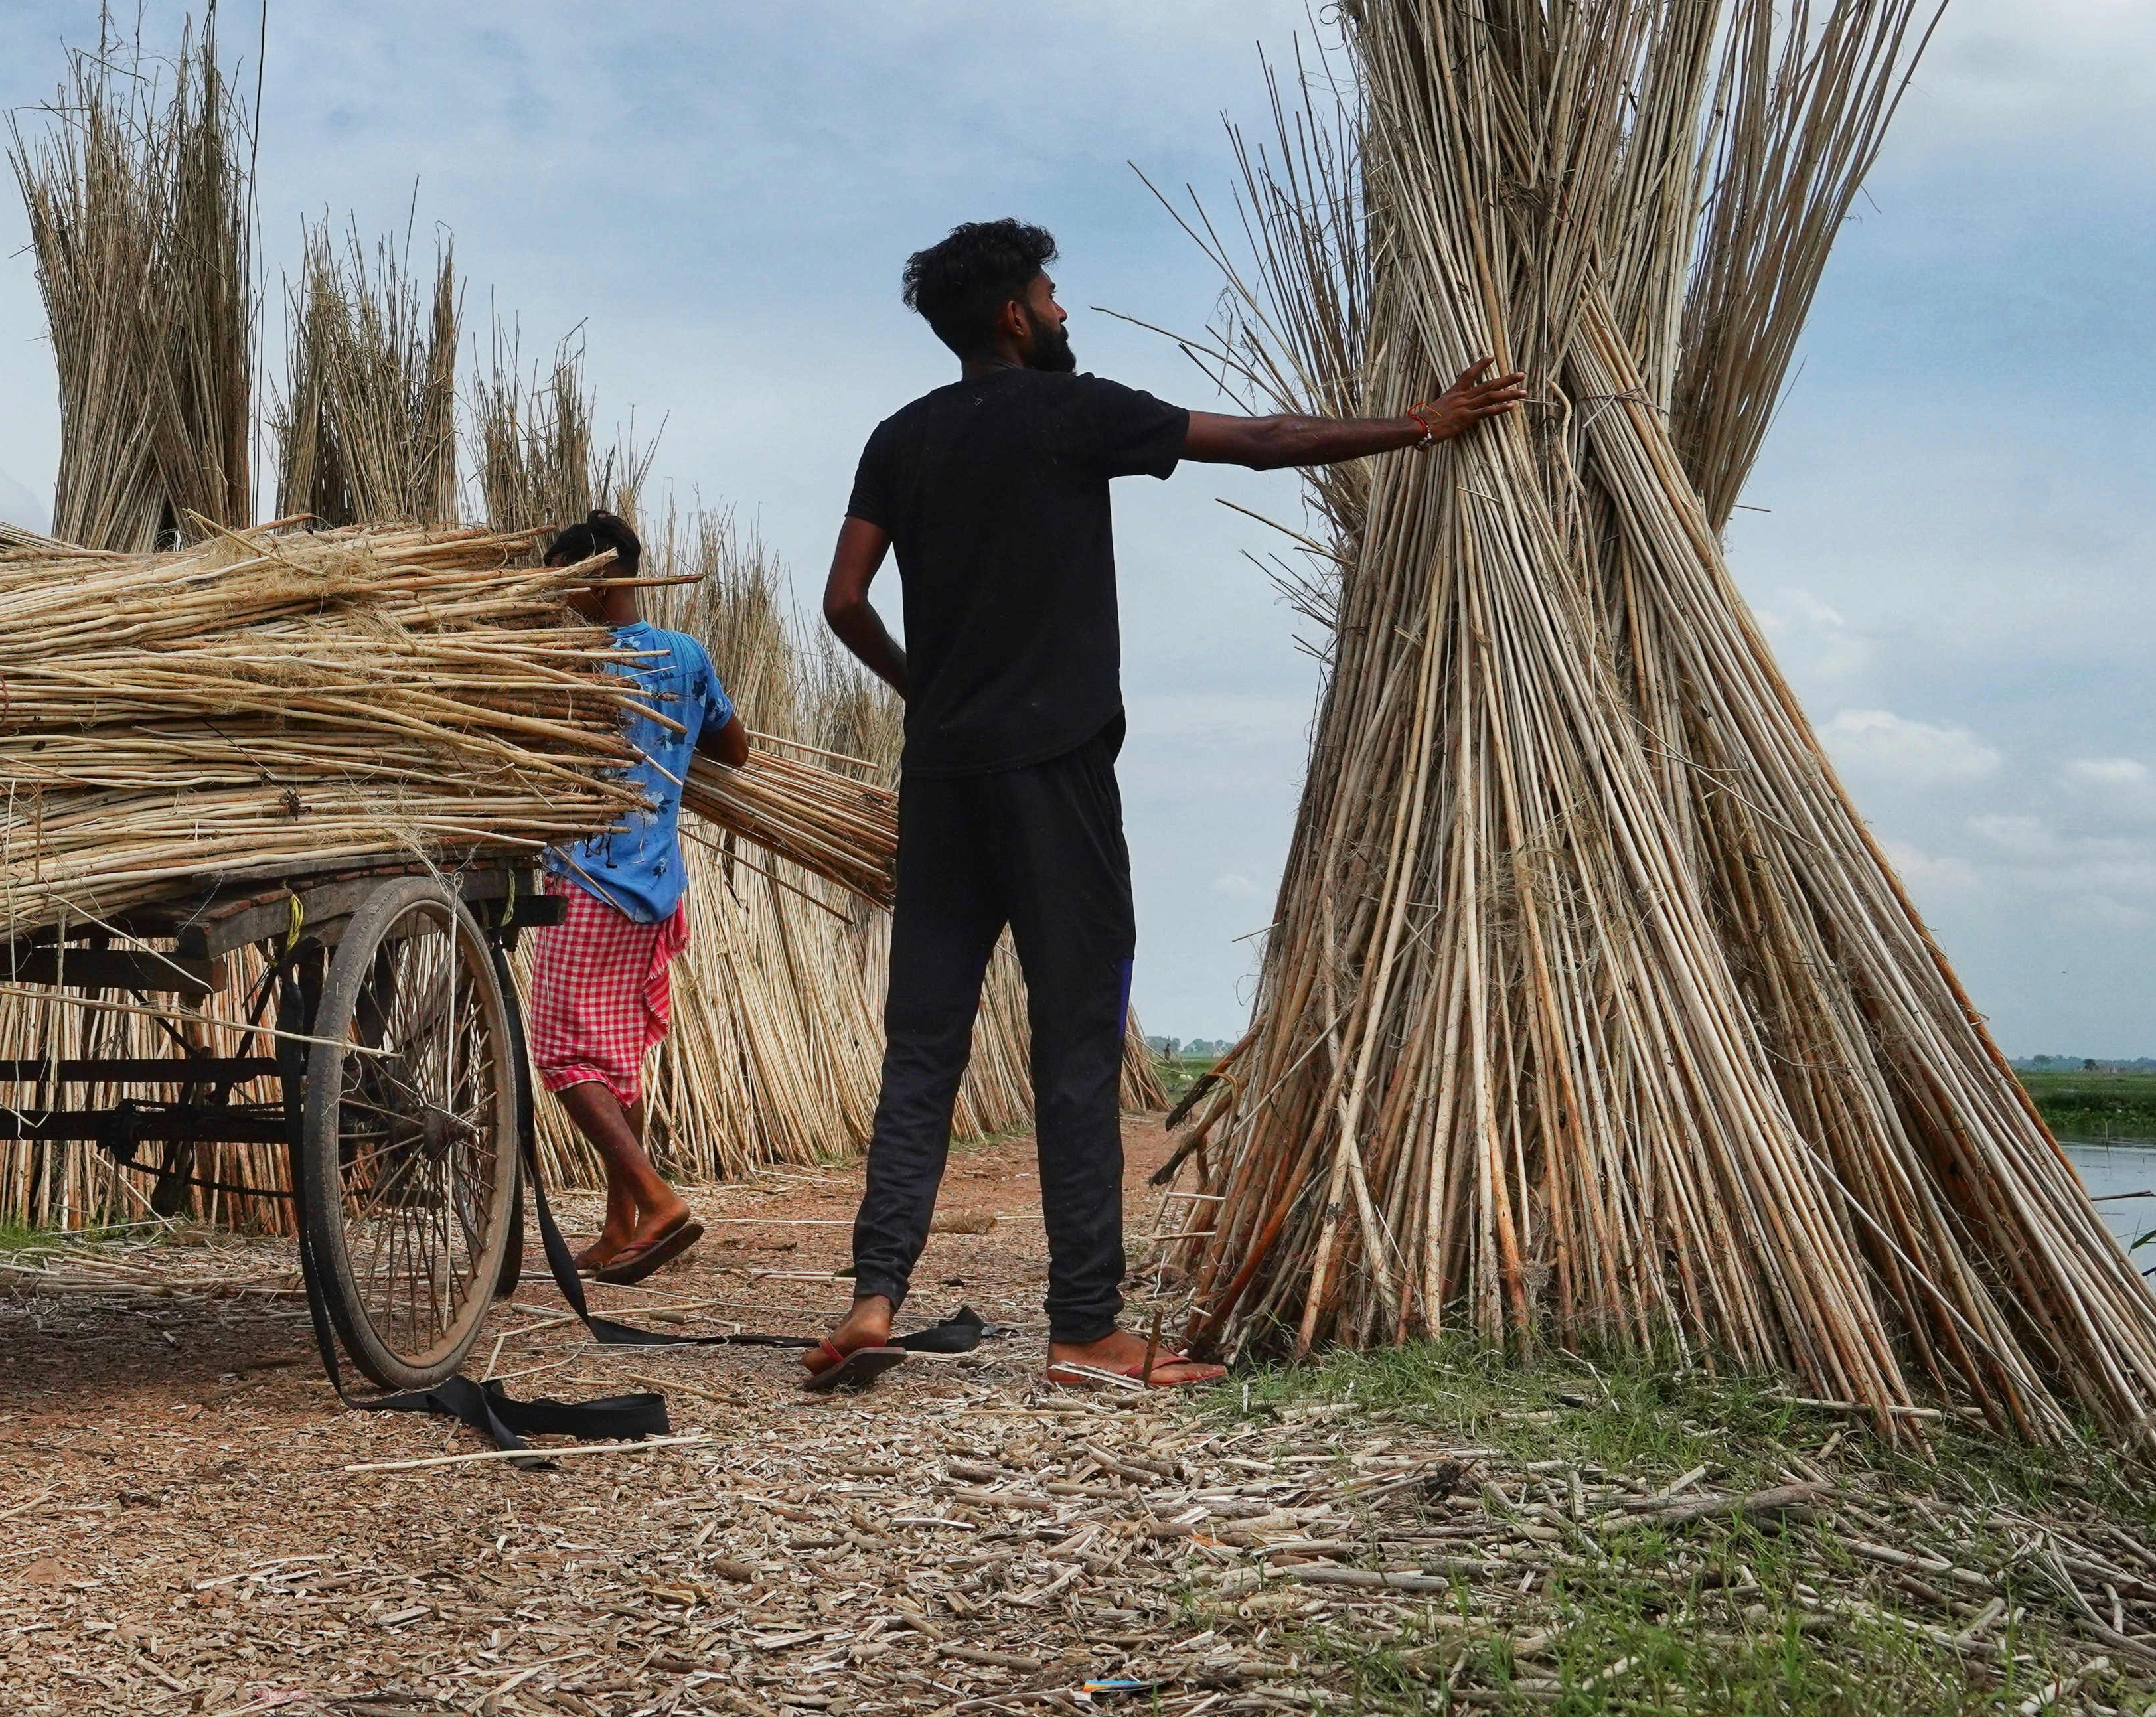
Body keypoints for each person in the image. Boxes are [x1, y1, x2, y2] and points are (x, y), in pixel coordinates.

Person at [802, 219, 1523, 1394]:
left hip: (940, 779)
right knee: (1077, 1043)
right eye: (1049, 293)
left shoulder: (901, 438)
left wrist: (923, 688)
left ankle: (876, 1295)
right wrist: (1420, 425)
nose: (1063, 311)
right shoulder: (1074, 414)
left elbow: (841, 602)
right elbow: (1263, 439)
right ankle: (1086, 1329)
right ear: (1011, 318)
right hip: (1056, 770)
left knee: (923, 1045)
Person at [530, 508, 751, 1286]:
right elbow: (735, 747)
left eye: (566, 586)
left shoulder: (573, 667)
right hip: (658, 885)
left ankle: (657, 1202)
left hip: (591, 881)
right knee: (618, 1061)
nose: (561, 604)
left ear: (591, 580)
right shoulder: (686, 656)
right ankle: (621, 1226)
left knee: (562, 1054)